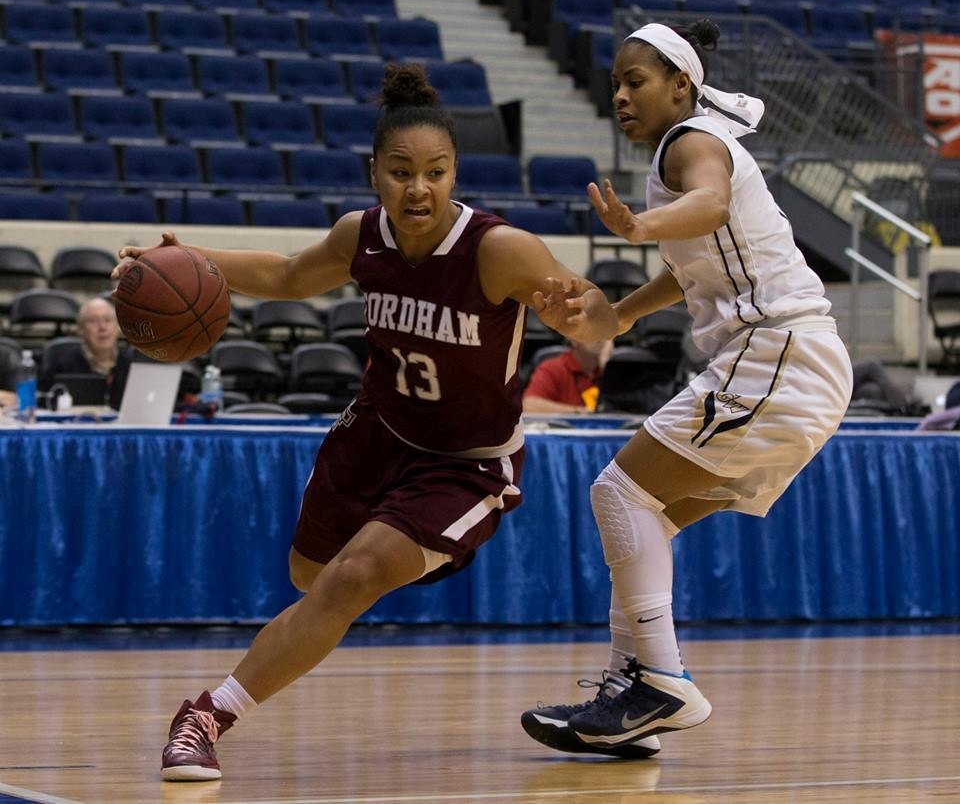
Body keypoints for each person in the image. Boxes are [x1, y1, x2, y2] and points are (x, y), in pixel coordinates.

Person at [112, 64, 641, 783]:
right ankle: (408, 559)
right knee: (311, 576)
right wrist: (182, 259)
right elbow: (290, 274)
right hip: (375, 433)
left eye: (435, 172)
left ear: (455, 173)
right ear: (374, 174)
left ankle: (205, 717)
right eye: (400, 172)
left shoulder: (498, 250)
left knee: (350, 579)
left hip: (466, 460)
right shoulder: (360, 235)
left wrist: (583, 310)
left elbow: (593, 310)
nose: (418, 188)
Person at [521, 20, 853, 757]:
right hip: (795, 366)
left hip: (779, 354)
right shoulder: (682, 152)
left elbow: (707, 205)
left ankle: (661, 682)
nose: (620, 96)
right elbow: (690, 265)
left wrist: (637, 227)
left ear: (680, 85)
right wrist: (618, 314)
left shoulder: (692, 143)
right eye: (614, 84)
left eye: (634, 82)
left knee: (617, 492)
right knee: (648, 518)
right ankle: (627, 698)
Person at [38, 295, 132, 409]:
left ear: (118, 327)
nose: (102, 327)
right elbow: (41, 404)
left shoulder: (132, 365)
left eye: (108, 320)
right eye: (93, 321)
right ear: (80, 329)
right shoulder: (62, 366)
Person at [522, 338, 613, 414]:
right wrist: (578, 412)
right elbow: (529, 406)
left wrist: (608, 367)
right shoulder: (552, 368)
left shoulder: (613, 369)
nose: (600, 338)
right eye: (593, 331)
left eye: (604, 332)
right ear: (573, 339)